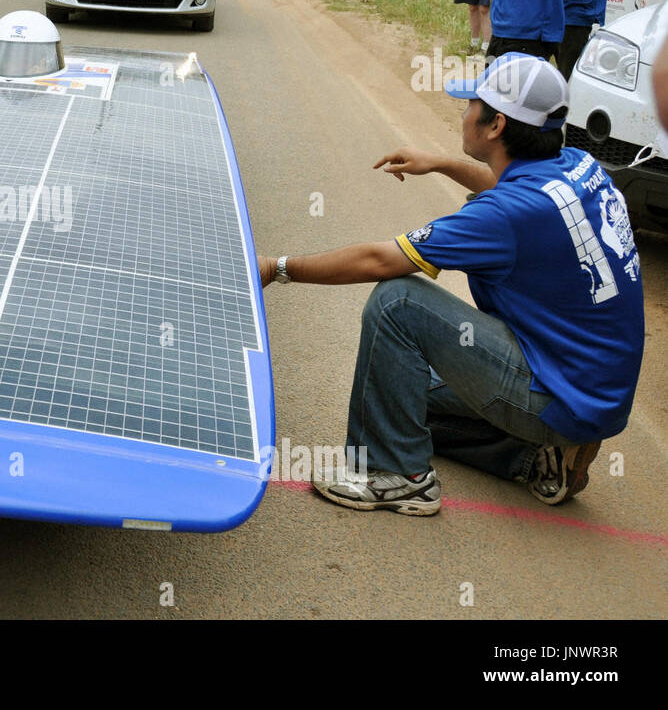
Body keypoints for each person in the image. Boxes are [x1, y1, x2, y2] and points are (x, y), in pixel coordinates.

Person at [258, 53, 643, 516]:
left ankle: (399, 476)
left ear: (496, 125)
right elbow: (508, 186)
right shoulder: (577, 165)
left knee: (397, 302)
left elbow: (380, 259)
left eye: (471, 105)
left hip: (558, 389)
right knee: (399, 393)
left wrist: (277, 267)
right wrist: (441, 163)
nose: (464, 113)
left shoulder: (504, 217)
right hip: (590, 388)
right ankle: (536, 457)